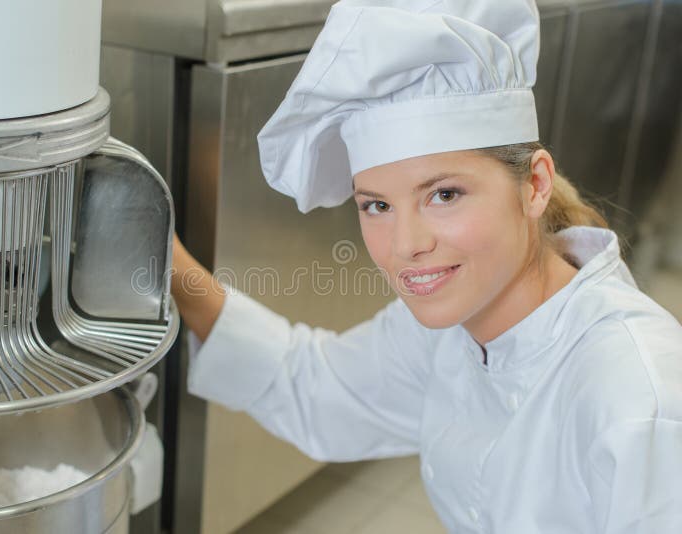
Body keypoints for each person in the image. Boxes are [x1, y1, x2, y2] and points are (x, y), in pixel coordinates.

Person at [171, 1, 682, 532]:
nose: (406, 245)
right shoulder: (454, 327)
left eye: (444, 193)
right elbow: (312, 385)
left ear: (535, 184)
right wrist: (169, 264)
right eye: (377, 205)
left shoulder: (641, 400)